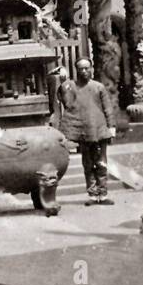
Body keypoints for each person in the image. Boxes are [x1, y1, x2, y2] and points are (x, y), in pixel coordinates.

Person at [54, 58, 117, 205]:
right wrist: (63, 79)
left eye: (87, 68)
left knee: (101, 163)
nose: (84, 71)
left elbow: (108, 108)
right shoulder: (71, 86)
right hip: (83, 131)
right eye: (81, 69)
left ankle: (103, 193)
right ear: (77, 70)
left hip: (99, 129)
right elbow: (64, 99)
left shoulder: (98, 87)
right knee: (88, 164)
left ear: (91, 68)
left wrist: (111, 127)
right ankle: (93, 194)